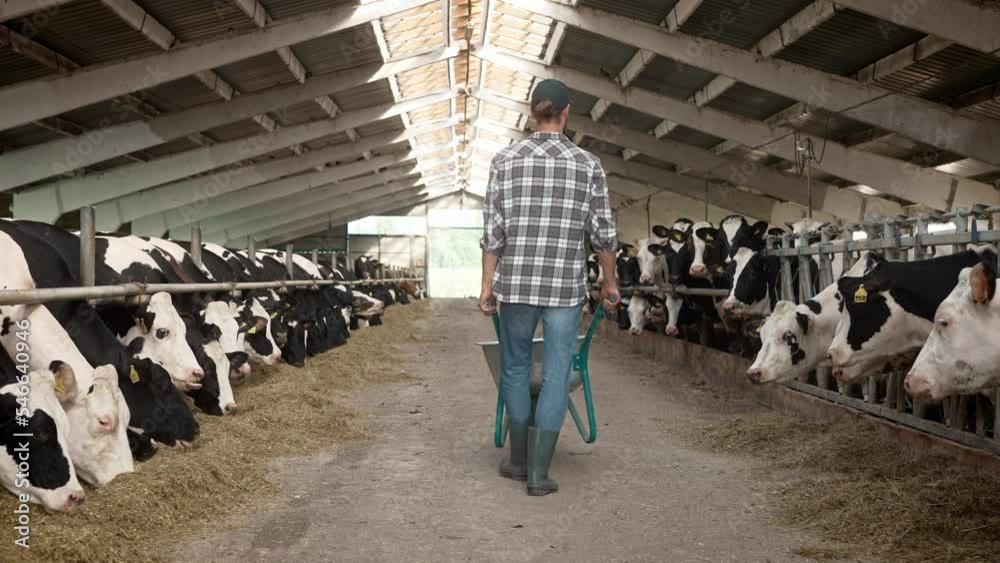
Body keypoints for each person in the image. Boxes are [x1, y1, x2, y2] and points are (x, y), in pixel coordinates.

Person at [478, 79, 620, 497]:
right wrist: (609, 282)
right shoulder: (588, 164)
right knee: (558, 373)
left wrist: (487, 285)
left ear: (531, 112)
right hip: (564, 288)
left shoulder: (505, 161)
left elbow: (493, 232)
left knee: (516, 369)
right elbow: (603, 233)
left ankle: (518, 460)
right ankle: (540, 474)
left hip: (516, 285)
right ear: (566, 112)